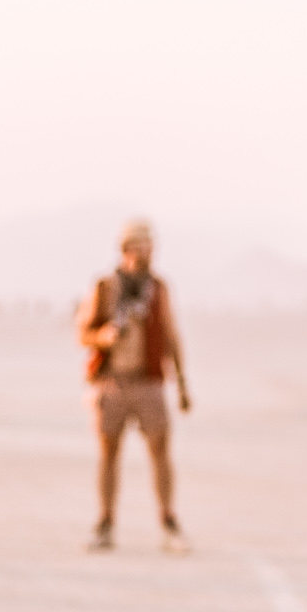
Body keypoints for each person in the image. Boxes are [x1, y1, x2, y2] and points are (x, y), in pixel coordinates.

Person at [77, 219, 190, 552]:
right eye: (142, 246)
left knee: (160, 452)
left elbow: (171, 335)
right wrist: (104, 337)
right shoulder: (105, 287)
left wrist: (182, 383)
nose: (149, 253)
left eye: (151, 246)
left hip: (149, 382)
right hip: (112, 382)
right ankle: (106, 522)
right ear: (127, 249)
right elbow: (82, 331)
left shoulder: (158, 289)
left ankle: (168, 521)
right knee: (108, 454)